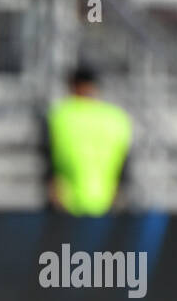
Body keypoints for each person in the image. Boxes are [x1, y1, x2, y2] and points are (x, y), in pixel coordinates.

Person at [44, 65, 133, 215]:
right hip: (105, 202)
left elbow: (47, 153)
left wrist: (52, 186)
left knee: (67, 240)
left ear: (73, 86)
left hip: (67, 203)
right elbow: (125, 160)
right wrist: (119, 191)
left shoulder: (60, 115)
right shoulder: (117, 118)